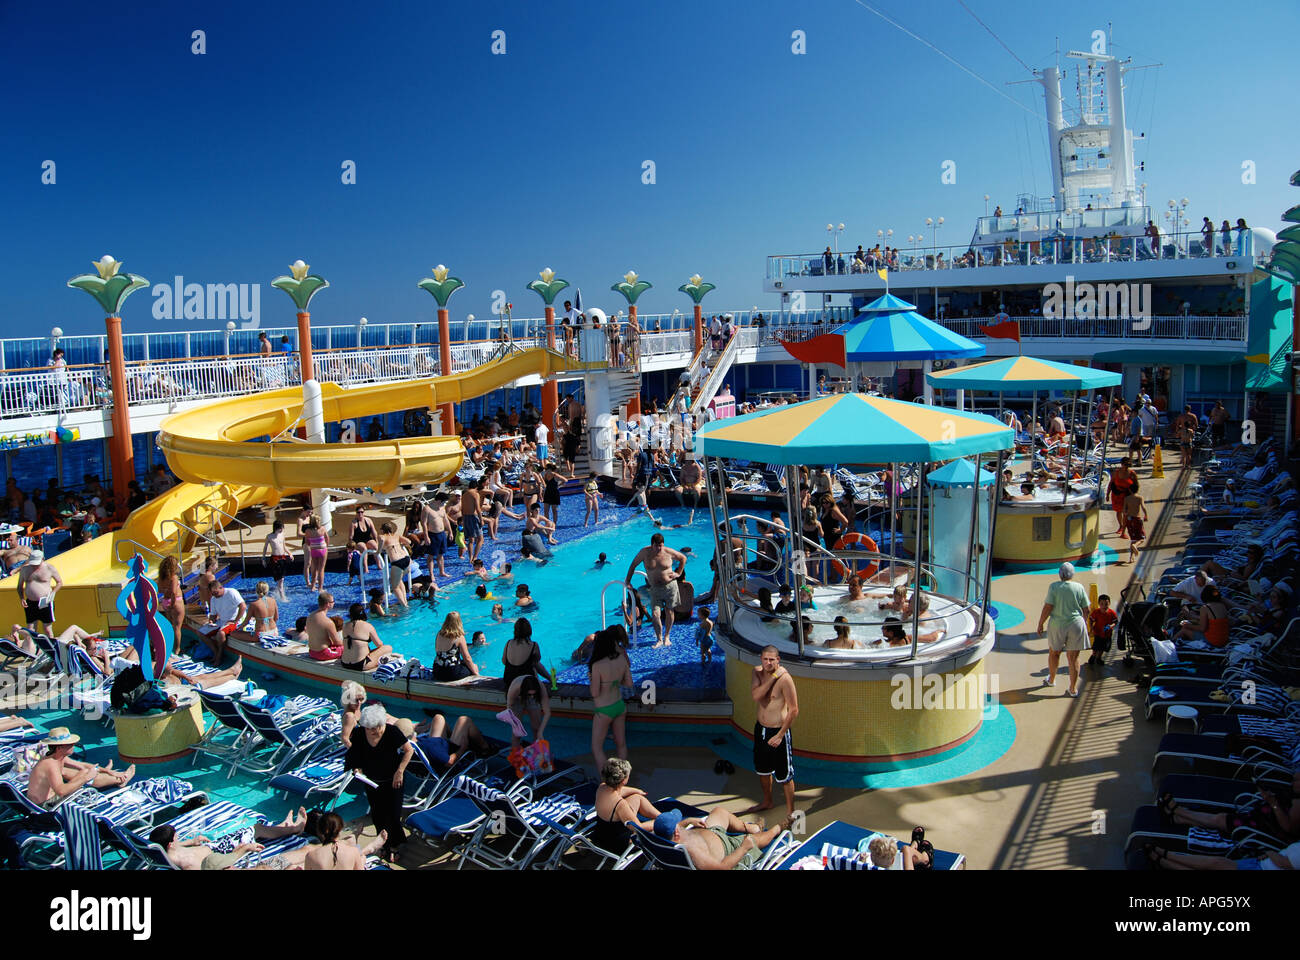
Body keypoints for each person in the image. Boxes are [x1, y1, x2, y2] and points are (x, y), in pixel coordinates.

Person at [345, 704, 413, 863]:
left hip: (393, 781)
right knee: (378, 814)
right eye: (371, 728)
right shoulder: (360, 733)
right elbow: (354, 753)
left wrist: (400, 771)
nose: (376, 731)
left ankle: (395, 845)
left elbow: (409, 750)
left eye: (378, 727)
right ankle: (383, 842)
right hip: (371, 781)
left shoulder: (391, 732)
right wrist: (357, 768)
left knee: (394, 815)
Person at [147, 811, 311, 870]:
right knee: (256, 829)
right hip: (221, 852)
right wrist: (238, 852)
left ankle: (283, 826)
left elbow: (175, 846)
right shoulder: (186, 863)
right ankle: (293, 829)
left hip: (214, 848)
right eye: (176, 837)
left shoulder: (161, 851)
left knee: (252, 829)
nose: (178, 838)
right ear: (170, 843)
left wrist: (192, 841)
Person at [745, 645, 798, 825]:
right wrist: (774, 677)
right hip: (761, 729)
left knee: (785, 775)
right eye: (765, 659)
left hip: (778, 731)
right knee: (762, 769)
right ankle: (767, 801)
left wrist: (781, 734)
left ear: (778, 660)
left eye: (772, 659)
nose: (768, 663)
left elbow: (794, 710)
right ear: (761, 659)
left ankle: (791, 812)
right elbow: (756, 696)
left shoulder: (786, 680)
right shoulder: (757, 673)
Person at [26, 727, 134, 809]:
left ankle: (114, 778)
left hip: (36, 803)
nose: (73, 746)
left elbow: (83, 765)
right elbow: (61, 791)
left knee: (84, 771)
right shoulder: (51, 764)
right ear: (60, 747)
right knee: (85, 775)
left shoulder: (55, 757)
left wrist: (107, 770)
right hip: (45, 806)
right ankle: (120, 779)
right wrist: (86, 778)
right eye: (70, 744)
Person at [653, 806, 785, 870]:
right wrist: (744, 848)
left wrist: (687, 822)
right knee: (752, 840)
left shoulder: (661, 839)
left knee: (719, 812)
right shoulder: (691, 851)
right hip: (729, 849)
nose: (679, 823)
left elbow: (669, 830)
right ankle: (778, 829)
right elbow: (721, 868)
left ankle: (754, 827)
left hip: (709, 832)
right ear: (676, 832)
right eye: (678, 823)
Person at [1036, 562, 1091, 697]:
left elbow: (1048, 607)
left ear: (1060, 574)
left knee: (1054, 653)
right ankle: (1072, 689)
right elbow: (1087, 609)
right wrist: (1084, 624)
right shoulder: (1079, 587)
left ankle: (1052, 679)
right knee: (1073, 658)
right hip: (1076, 624)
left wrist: (1041, 623)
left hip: (1057, 624)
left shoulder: (1054, 587)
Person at [625, 532, 688, 648]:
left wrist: (678, 573)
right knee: (655, 613)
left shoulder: (668, 552)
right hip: (655, 589)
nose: (659, 548)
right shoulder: (644, 552)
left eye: (661, 545)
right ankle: (659, 639)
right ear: (652, 545)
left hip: (670, 587)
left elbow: (683, 558)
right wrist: (628, 581)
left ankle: (667, 636)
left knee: (669, 611)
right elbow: (633, 565)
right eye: (657, 546)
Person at [591, 757, 662, 856]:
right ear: (624, 780)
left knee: (637, 797)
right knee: (656, 829)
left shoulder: (602, 787)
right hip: (617, 845)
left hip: (601, 835)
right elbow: (639, 828)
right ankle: (662, 818)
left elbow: (621, 790)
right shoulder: (620, 804)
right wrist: (659, 823)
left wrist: (636, 791)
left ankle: (660, 815)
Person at [588, 625, 633, 769]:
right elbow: (628, 683)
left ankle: (607, 782)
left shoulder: (597, 665)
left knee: (597, 748)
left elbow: (595, 693)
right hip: (619, 705)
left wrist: (592, 681)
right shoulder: (621, 658)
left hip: (604, 710)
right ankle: (622, 778)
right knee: (621, 744)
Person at [303, 812, 388, 870]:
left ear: (319, 831)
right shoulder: (352, 851)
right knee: (361, 856)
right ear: (340, 829)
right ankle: (369, 847)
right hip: (352, 854)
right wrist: (362, 861)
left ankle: (366, 845)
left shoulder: (311, 856)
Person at [16, 551, 61, 639]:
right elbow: (19, 586)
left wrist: (53, 593)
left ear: (42, 559)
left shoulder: (49, 568)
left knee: (47, 628)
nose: (35, 566)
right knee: (31, 628)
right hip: (31, 602)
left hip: (45, 601)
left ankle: (52, 647)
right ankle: (33, 648)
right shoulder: (25, 569)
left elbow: (59, 582)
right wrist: (22, 598)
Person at [201, 580, 246, 663]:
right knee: (201, 632)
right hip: (222, 621)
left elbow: (243, 606)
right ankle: (215, 652)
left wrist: (235, 620)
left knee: (221, 634)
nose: (214, 595)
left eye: (216, 592)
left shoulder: (231, 592)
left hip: (235, 620)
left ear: (221, 588)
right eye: (212, 593)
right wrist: (211, 621)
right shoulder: (214, 599)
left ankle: (219, 656)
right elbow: (213, 615)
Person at [340, 603, 393, 672]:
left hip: (344, 663)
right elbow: (379, 645)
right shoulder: (367, 626)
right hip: (360, 664)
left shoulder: (345, 626)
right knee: (388, 648)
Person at [432, 610, 479, 681]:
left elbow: (437, 650)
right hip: (451, 673)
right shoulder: (459, 637)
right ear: (459, 622)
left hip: (437, 671)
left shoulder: (439, 634)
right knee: (474, 666)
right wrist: (475, 672)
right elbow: (467, 658)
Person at [378, 520, 413, 609]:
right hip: (406, 560)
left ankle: (405, 606)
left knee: (395, 587)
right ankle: (404, 600)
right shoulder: (396, 536)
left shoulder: (382, 536)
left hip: (397, 562)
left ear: (382, 530)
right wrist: (400, 544)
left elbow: (381, 539)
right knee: (399, 580)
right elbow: (409, 541)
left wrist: (378, 551)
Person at [154, 555, 185, 654]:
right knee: (177, 627)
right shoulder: (173, 577)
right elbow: (174, 592)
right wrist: (172, 603)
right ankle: (177, 649)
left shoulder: (161, 578)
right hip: (175, 602)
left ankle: (167, 646)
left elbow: (158, 590)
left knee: (169, 626)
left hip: (165, 602)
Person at [304, 592, 344, 662]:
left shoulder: (310, 616)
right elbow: (337, 642)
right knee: (348, 648)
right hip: (323, 653)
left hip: (312, 651)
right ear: (328, 604)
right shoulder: (328, 622)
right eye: (333, 601)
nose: (334, 603)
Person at [261, 520, 291, 601]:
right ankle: (282, 597)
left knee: (282, 579)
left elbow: (284, 546)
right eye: (280, 528)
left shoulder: (282, 535)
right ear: (276, 528)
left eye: (282, 528)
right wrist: (263, 559)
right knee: (280, 579)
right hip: (275, 559)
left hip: (283, 558)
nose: (281, 530)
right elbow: (265, 548)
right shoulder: (270, 536)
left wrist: (290, 553)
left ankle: (279, 592)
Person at [1107, 457, 1137, 537]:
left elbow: (1136, 485)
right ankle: (1121, 526)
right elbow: (1110, 484)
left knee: (1126, 513)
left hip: (1126, 495)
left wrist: (1134, 496)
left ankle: (1124, 529)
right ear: (1122, 464)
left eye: (1128, 465)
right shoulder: (1116, 472)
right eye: (1125, 465)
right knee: (1118, 511)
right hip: (1117, 495)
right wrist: (1107, 494)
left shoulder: (1132, 473)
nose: (1127, 466)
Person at [1122, 480, 1149, 564]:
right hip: (1137, 519)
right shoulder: (1140, 498)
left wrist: (1125, 523)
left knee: (1133, 539)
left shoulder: (1127, 498)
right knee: (1142, 538)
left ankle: (1131, 558)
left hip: (1129, 520)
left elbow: (1124, 511)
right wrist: (1146, 515)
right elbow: (1143, 507)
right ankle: (1136, 546)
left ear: (1130, 490)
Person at [1087, 593, 1117, 667]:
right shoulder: (1096, 612)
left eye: (1106, 604)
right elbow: (1091, 620)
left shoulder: (1112, 613)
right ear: (1099, 604)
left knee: (1103, 648)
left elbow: (1115, 622)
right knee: (1096, 647)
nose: (1104, 606)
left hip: (1107, 634)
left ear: (1109, 603)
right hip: (1098, 633)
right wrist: (1091, 628)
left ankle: (1099, 657)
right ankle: (1093, 656)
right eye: (1102, 604)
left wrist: (1111, 626)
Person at [348, 506, 379, 574]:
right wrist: (350, 546)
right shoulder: (354, 523)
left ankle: (379, 565)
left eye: (362, 512)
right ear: (356, 513)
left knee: (375, 546)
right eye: (358, 512)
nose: (360, 514)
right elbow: (351, 536)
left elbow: (374, 532)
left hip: (367, 538)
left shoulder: (368, 520)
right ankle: (366, 568)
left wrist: (376, 540)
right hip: (358, 540)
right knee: (364, 548)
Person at [301, 517, 329, 591]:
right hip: (322, 549)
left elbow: (307, 542)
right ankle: (320, 588)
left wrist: (312, 544)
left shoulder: (308, 531)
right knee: (321, 569)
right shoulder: (322, 529)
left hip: (314, 550)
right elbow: (327, 538)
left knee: (314, 569)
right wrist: (326, 545)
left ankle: (312, 586)